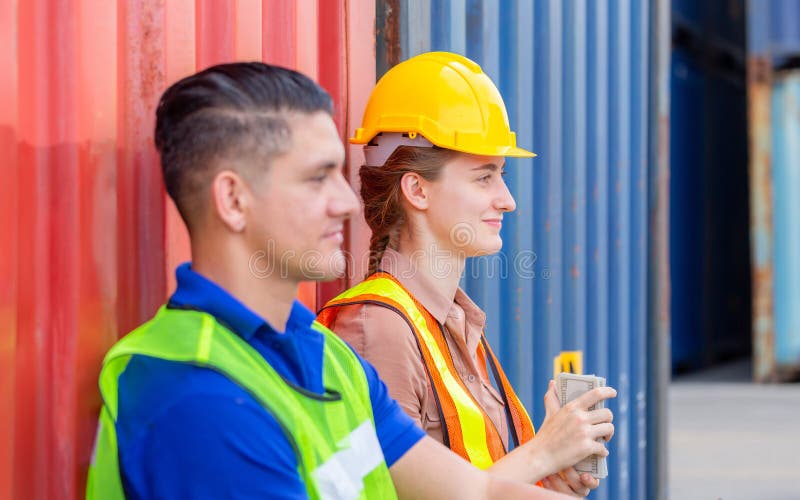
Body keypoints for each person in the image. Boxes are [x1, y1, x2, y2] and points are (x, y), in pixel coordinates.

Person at [85, 62, 575, 499]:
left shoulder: (327, 357)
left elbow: (480, 491)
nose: (345, 203)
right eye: (317, 178)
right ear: (233, 201)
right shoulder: (196, 400)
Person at [316, 52, 616, 497]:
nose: (508, 199)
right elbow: (385, 493)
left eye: (502, 175)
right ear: (417, 189)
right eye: (484, 177)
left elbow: (475, 481)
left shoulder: (456, 323)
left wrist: (548, 481)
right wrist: (542, 452)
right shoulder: (376, 327)